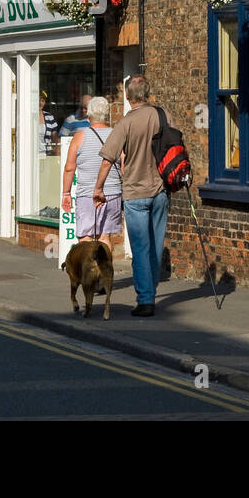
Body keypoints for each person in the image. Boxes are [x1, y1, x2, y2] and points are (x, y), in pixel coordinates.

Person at [92, 75, 167, 317]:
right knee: (155, 245)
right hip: (161, 191)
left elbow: (107, 160)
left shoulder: (125, 123)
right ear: (148, 93)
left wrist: (98, 188)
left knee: (141, 248)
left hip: (135, 193)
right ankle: (150, 289)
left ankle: (146, 300)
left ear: (126, 96)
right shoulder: (163, 116)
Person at [61, 96, 121, 246]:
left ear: (88, 114)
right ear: (107, 114)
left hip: (87, 194)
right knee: (105, 237)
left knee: (85, 237)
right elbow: (124, 164)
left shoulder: (80, 137)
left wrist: (66, 193)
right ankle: (105, 269)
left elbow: (69, 168)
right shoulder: (117, 135)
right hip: (112, 193)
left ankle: (87, 270)